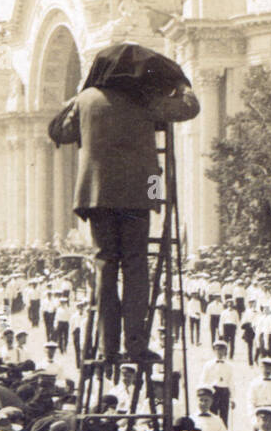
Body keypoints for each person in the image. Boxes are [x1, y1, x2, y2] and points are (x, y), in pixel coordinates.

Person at [71, 43, 200, 364]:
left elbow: (57, 129)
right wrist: (181, 83)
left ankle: (107, 348)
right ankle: (135, 345)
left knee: (105, 267)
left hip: (94, 196)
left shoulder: (85, 100)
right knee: (136, 268)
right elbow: (189, 108)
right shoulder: (144, 100)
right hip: (141, 193)